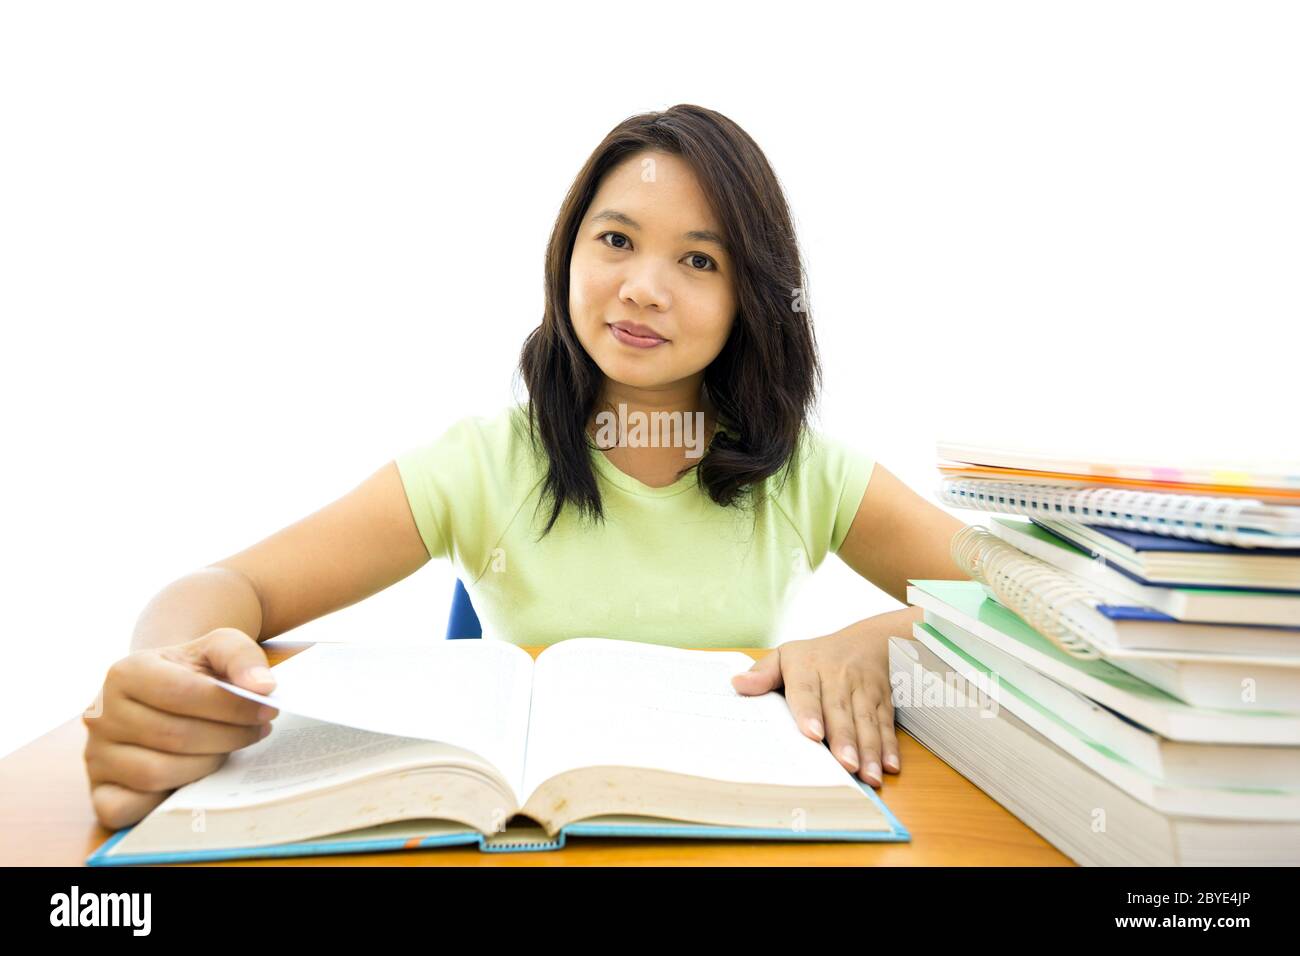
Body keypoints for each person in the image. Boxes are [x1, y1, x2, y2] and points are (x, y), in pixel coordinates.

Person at [84, 104, 968, 831]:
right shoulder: (481, 464)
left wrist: (878, 640)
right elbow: (230, 584)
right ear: (569, 254)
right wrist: (171, 670)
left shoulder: (805, 473)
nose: (644, 287)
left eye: (699, 260)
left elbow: (1033, 609)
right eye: (616, 240)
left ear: (752, 297)